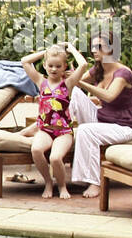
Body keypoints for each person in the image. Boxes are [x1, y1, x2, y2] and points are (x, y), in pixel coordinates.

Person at [69, 32, 132, 198]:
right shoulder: (98, 68)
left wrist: (79, 82)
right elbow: (72, 84)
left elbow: (109, 96)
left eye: (100, 47)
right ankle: (51, 126)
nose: (95, 51)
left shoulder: (123, 73)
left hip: (123, 126)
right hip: (103, 118)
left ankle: (94, 183)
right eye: (93, 47)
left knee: (85, 130)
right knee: (77, 95)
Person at [18, 43, 89, 199]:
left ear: (64, 67)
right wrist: (47, 51)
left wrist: (70, 48)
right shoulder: (40, 81)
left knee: (55, 158)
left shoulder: (68, 84)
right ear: (44, 65)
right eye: (50, 65)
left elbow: (83, 65)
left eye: (58, 66)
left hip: (63, 132)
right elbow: (24, 61)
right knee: (36, 149)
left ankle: (62, 186)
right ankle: (48, 182)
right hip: (45, 130)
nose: (54, 69)